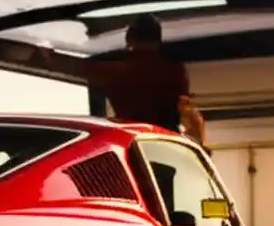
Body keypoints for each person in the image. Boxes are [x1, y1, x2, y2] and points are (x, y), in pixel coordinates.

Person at [36, 14, 207, 146]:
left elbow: (77, 67)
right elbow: (187, 110)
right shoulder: (175, 70)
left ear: (129, 38)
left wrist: (47, 57)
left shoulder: (120, 71)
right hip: (167, 143)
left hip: (133, 143)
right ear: (158, 39)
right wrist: (200, 144)